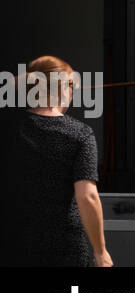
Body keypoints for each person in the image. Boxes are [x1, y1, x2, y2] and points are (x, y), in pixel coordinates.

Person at [0, 56, 111, 267]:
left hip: (13, 244)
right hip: (65, 249)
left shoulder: (7, 129)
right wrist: (100, 251)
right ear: (64, 89)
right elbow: (87, 197)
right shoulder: (80, 134)